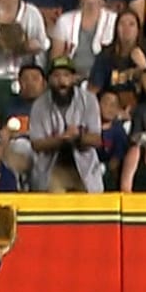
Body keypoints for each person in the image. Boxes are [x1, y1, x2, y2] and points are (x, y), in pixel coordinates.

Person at [28, 55, 102, 193]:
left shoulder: (89, 100)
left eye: (66, 75)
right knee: (56, 203)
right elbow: (36, 144)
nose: (62, 81)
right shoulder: (39, 105)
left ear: (74, 78)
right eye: (56, 76)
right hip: (54, 169)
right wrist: (62, 139)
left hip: (84, 169)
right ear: (48, 80)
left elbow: (97, 139)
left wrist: (78, 136)